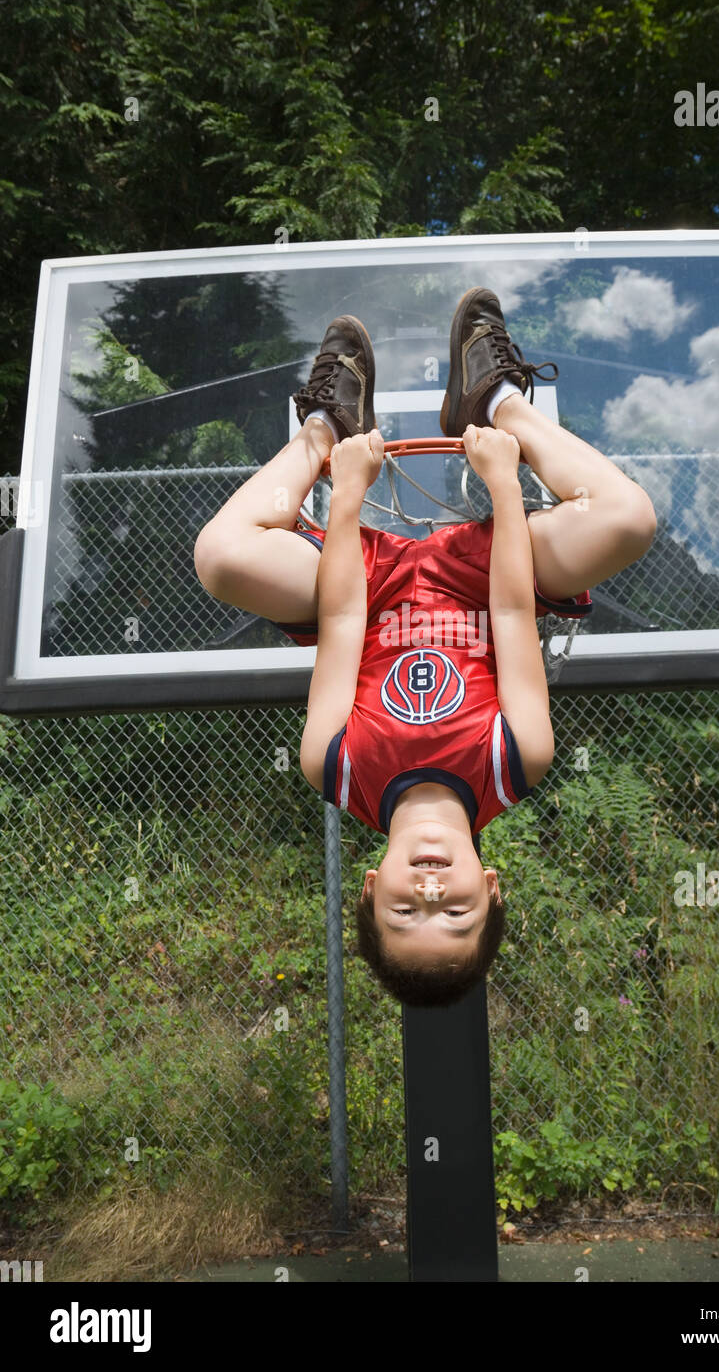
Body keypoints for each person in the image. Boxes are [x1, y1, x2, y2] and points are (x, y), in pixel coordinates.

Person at [194, 288, 656, 1006]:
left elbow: (343, 622)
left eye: (407, 910)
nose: (431, 888)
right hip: (485, 576)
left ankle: (323, 426)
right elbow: (510, 610)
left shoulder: (337, 766)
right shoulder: (517, 757)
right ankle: (498, 400)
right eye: (456, 911)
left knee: (220, 559)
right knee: (628, 518)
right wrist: (504, 483)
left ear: (373, 887)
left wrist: (344, 490)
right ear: (493, 890)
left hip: (364, 587)